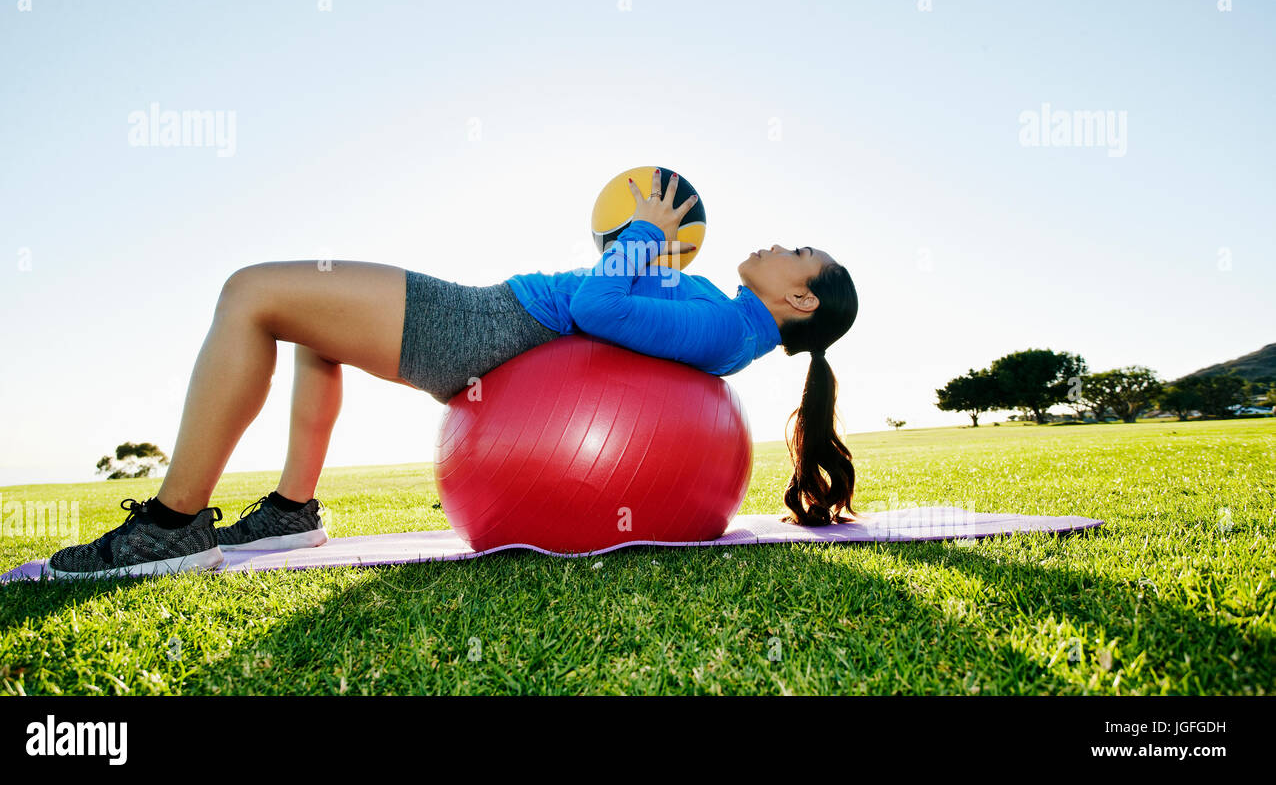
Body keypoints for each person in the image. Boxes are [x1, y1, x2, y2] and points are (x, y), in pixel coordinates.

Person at [45, 170, 858, 579]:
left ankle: (169, 523)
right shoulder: (728, 319)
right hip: (492, 330)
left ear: (796, 295)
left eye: (797, 253)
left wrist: (643, 232)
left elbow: (603, 312)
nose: (779, 245)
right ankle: (291, 510)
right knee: (311, 329)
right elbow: (621, 307)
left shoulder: (725, 327)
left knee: (250, 292)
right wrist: (644, 242)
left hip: (482, 330)